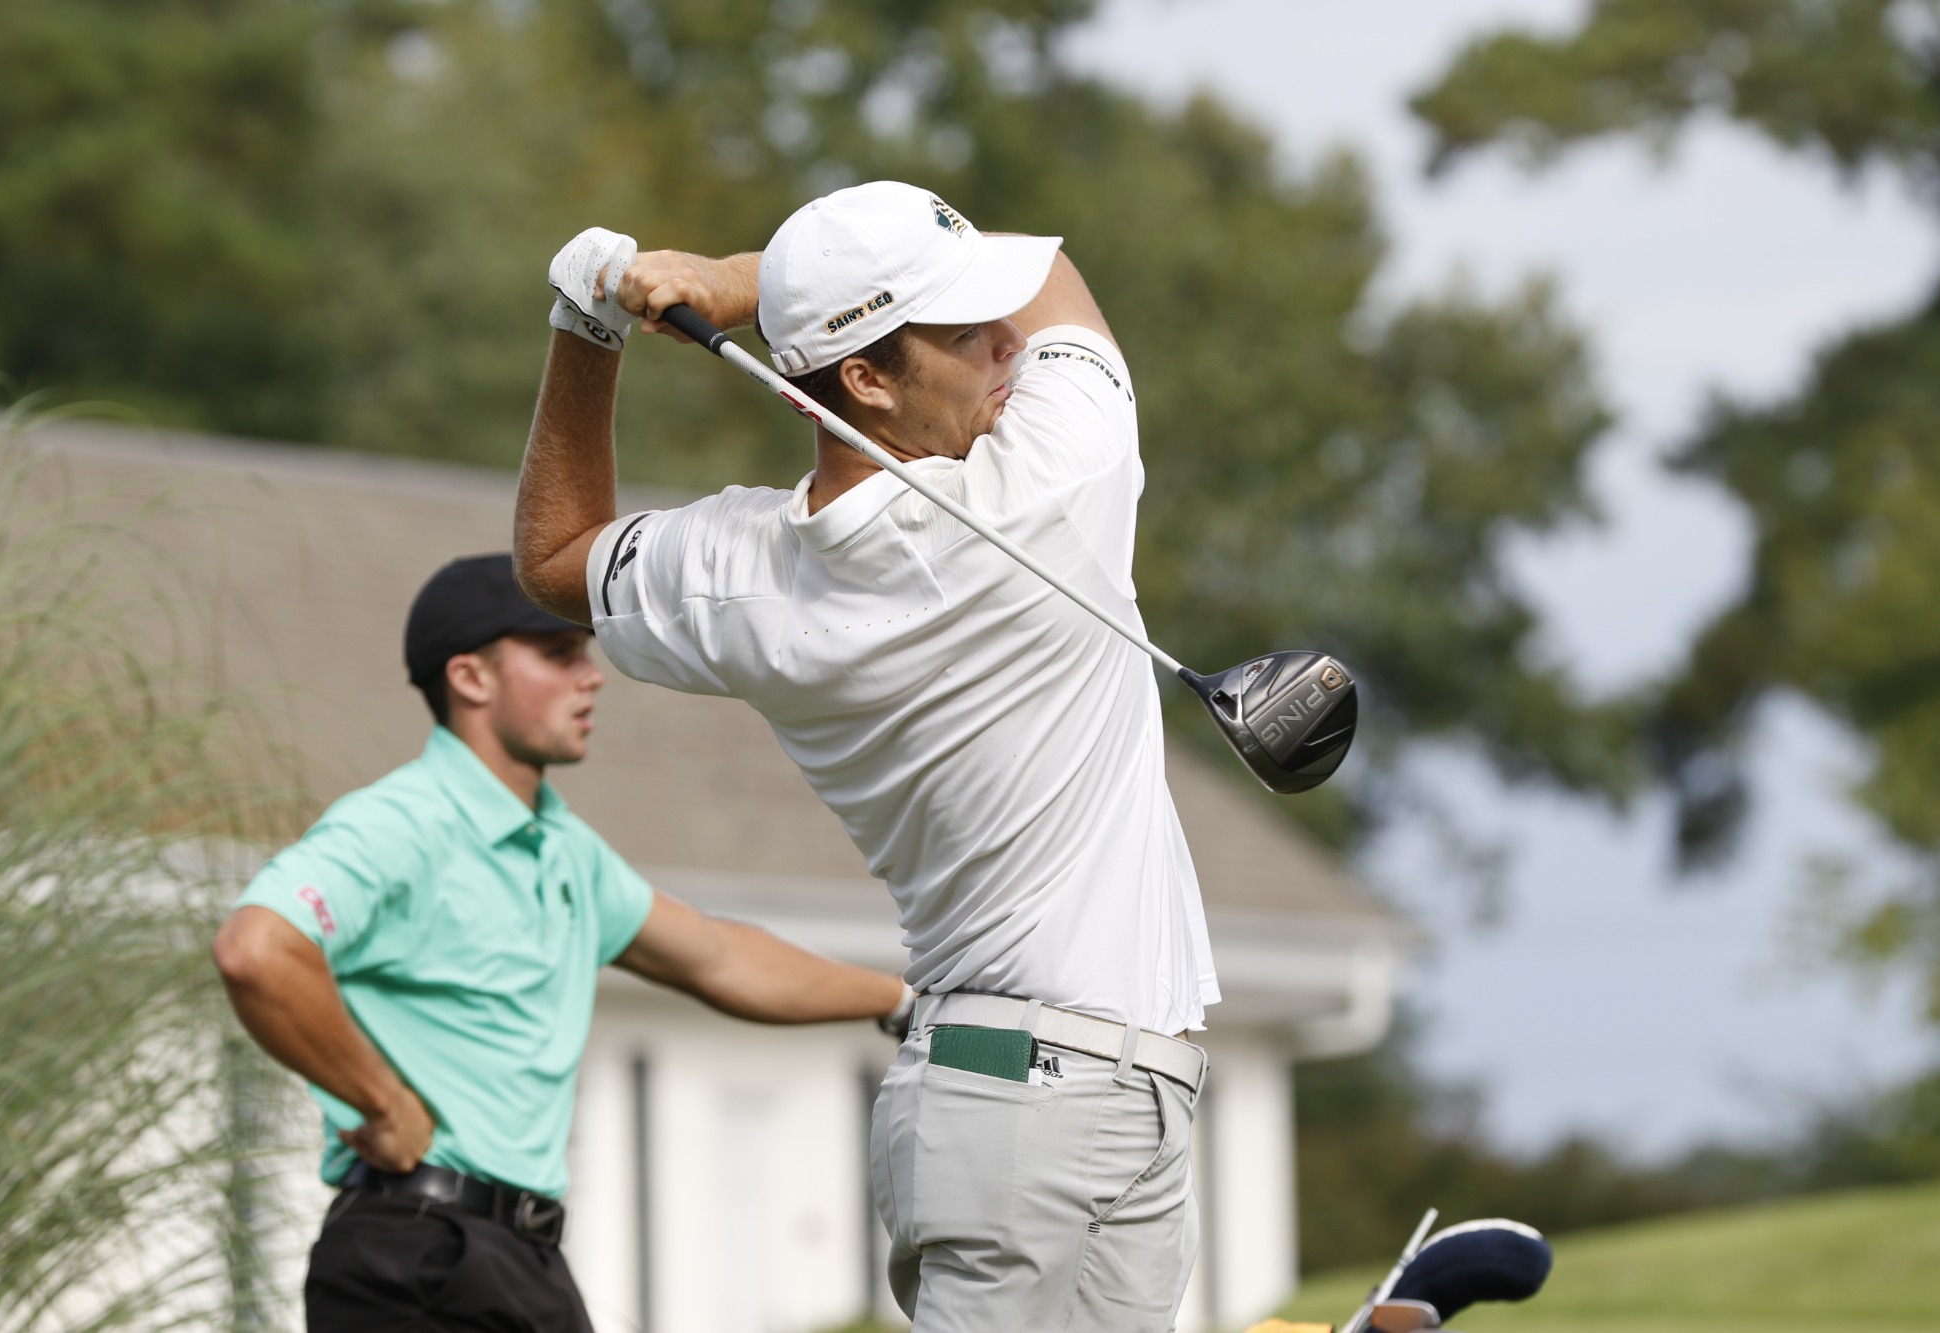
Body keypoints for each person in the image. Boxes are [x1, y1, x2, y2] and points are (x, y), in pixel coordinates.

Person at [514, 181, 1219, 1332]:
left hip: (1016, 1106)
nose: (1005, 347)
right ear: (865, 381)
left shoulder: (744, 573)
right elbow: (1054, 280)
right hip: (1045, 1110)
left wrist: (586, 329)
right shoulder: (1047, 483)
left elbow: (552, 559)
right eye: (959, 334)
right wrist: (739, 280)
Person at [212, 552, 912, 1332]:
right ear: (471, 678)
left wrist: (899, 998)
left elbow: (718, 955)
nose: (593, 675)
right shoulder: (403, 824)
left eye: (585, 651)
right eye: (557, 654)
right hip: (412, 1257)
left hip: (520, 1260)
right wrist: (382, 1099)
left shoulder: (562, 848)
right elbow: (259, 950)